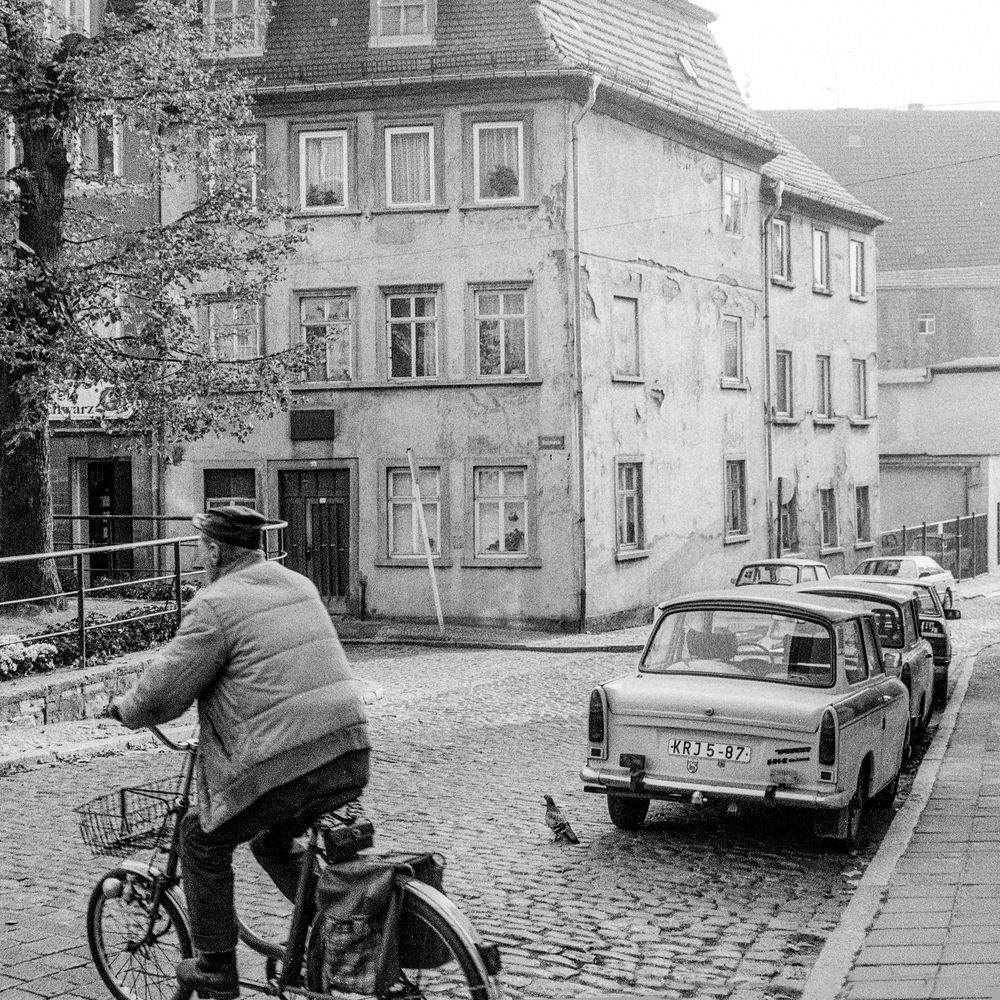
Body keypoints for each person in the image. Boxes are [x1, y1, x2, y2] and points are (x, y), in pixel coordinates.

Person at [109, 505, 371, 1000]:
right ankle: (340, 927)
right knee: (272, 842)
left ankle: (215, 967)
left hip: (287, 761)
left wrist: (125, 709)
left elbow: (163, 691)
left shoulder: (215, 605)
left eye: (200, 547)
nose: (197, 557)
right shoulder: (300, 584)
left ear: (213, 551)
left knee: (199, 838)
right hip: (349, 750)